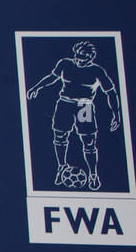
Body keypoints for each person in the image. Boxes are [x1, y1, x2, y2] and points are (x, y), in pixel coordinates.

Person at [26, 40, 123, 190]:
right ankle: (61, 167)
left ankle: (93, 175)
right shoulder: (65, 63)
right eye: (77, 56)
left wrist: (116, 114)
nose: (79, 60)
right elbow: (52, 77)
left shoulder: (97, 71)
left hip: (84, 106)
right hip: (64, 104)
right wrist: (37, 87)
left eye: (83, 57)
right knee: (60, 136)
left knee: (89, 141)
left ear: (91, 58)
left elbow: (111, 92)